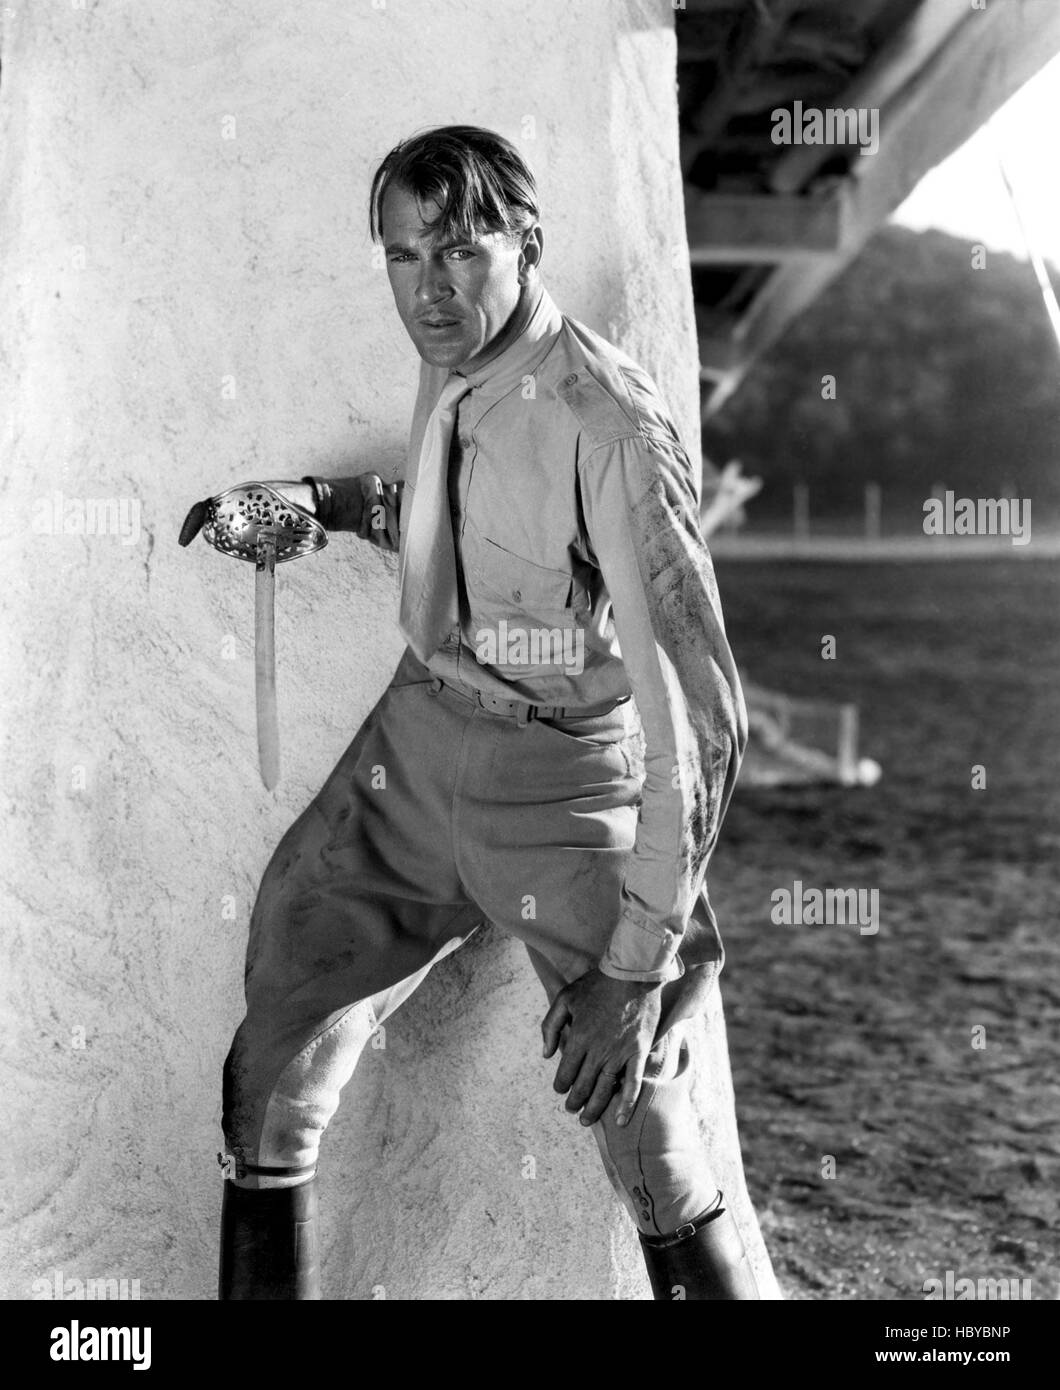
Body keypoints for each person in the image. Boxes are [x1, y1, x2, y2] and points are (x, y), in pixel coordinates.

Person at [182, 124, 762, 1300]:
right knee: (272, 1058)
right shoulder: (462, 362)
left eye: (458, 251)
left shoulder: (608, 424)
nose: (429, 288)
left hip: (561, 782)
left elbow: (699, 726)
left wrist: (637, 970)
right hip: (416, 741)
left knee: (641, 1120)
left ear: (526, 244)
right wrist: (324, 504)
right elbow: (483, 519)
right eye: (403, 257)